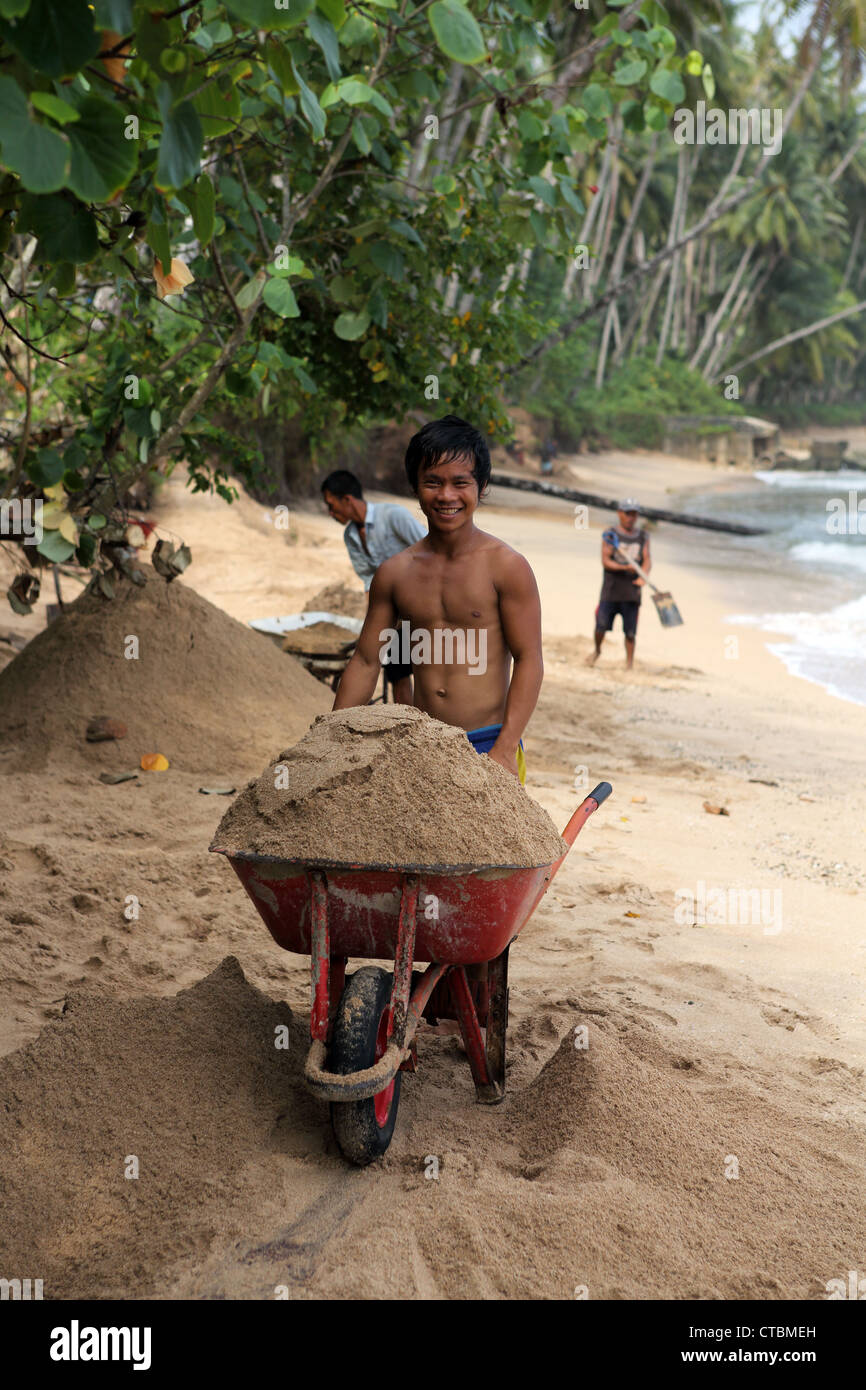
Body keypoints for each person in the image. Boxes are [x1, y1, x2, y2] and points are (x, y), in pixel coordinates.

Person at [332, 415, 543, 782]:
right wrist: (329, 741)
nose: (446, 496)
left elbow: (530, 659)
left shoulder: (507, 567)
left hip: (488, 742)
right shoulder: (395, 572)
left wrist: (506, 747)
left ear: (482, 486)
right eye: (433, 482)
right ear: (416, 487)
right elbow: (367, 660)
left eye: (460, 483)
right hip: (424, 742)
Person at [321, 469, 426, 704]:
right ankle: (406, 723)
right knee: (397, 672)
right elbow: (369, 579)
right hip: (394, 613)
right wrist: (374, 620)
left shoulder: (393, 516)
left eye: (331, 505)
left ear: (347, 499)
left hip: (425, 605)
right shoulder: (351, 536)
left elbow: (431, 550)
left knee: (428, 673)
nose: (330, 512)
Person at [587, 499, 651, 670]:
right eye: (628, 513)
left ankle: (629, 664)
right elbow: (605, 561)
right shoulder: (610, 535)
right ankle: (597, 650)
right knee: (601, 625)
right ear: (620, 513)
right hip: (611, 589)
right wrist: (626, 567)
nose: (631, 517)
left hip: (632, 591)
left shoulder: (643, 536)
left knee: (630, 632)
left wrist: (643, 576)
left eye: (634, 514)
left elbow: (647, 560)